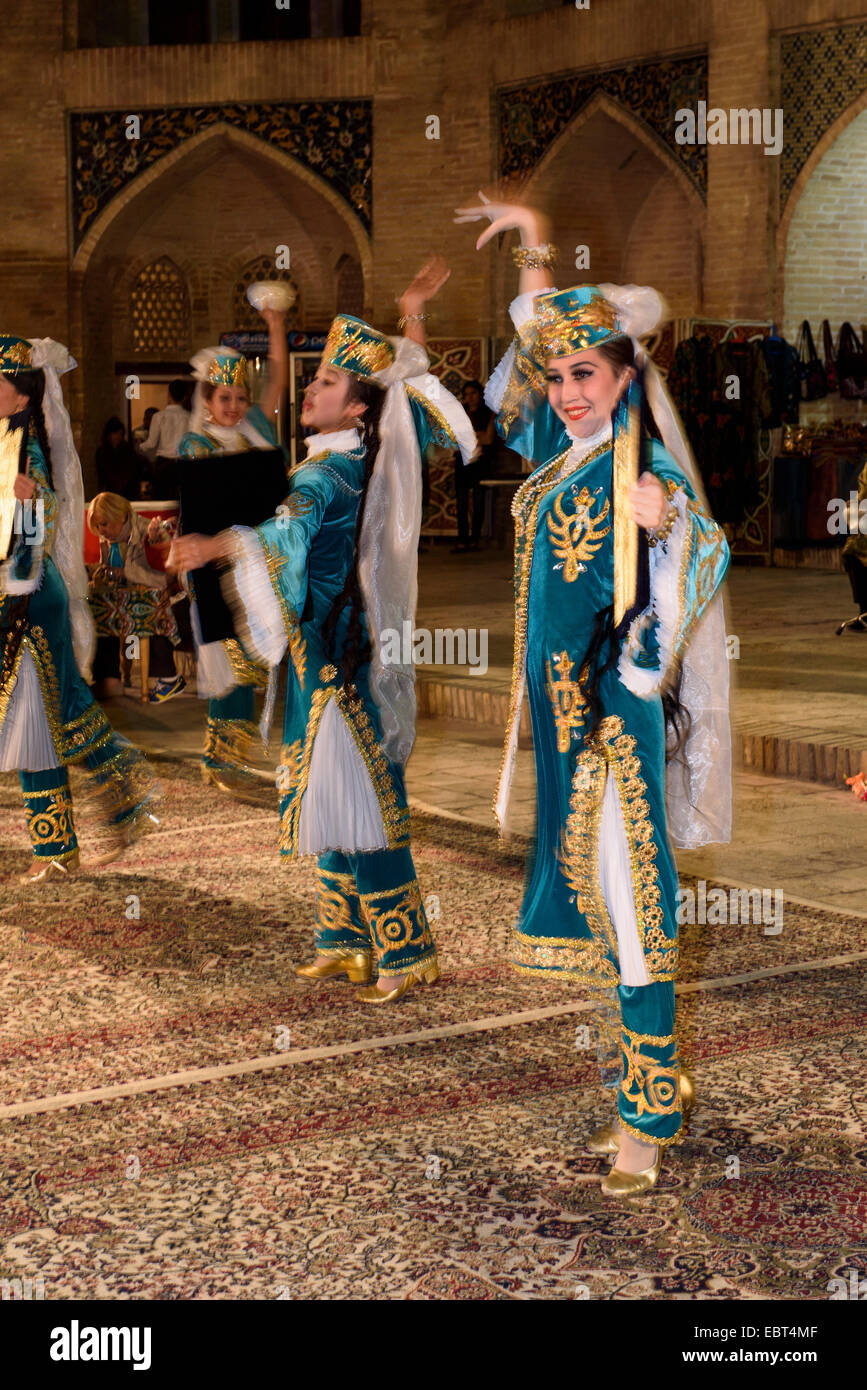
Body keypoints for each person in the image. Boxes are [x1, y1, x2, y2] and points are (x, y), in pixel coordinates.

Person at [456, 194, 731, 1194]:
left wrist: (669, 527)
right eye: (561, 377)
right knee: (612, 915)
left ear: (625, 378)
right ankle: (647, 1087)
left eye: (587, 375)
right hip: (570, 734)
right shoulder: (562, 455)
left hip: (615, 726)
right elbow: (523, 377)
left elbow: (710, 546)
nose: (568, 392)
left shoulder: (639, 463)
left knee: (635, 906)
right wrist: (533, 240)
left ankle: (648, 1117)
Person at [169, 258, 476, 1002]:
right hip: (334, 650)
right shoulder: (351, 462)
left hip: (338, 657)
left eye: (326, 384)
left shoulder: (323, 477)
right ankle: (343, 940)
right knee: (330, 790)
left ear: (358, 410)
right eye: (312, 380)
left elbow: (287, 538)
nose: (309, 388)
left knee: (361, 793)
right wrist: (411, 315)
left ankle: (407, 952)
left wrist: (216, 545)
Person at [0, 336, 160, 880]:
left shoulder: (30, 446)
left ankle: (126, 791)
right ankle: (57, 848)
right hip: (9, 596)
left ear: (21, 395)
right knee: (32, 724)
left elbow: (45, 510)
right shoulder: (2, 439)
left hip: (30, 600)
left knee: (58, 712)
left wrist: (30, 502)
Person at [176, 309, 288, 797]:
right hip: (213, 564)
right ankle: (221, 760)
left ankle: (230, 759)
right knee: (231, 661)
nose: (236, 406)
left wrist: (277, 324)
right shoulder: (195, 444)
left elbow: (279, 381)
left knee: (252, 658)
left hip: (254, 561)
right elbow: (205, 511)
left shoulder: (255, 430)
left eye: (242, 397)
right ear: (207, 398)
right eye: (226, 397)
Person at [86, 491, 185, 702]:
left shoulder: (148, 531)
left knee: (139, 617)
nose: (101, 531)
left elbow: (167, 577)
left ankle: (168, 677)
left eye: (104, 524)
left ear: (121, 517)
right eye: (98, 526)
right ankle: (112, 678)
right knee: (101, 613)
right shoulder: (108, 539)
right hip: (124, 605)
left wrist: (125, 573)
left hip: (157, 601)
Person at [452, 378, 495, 552]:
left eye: (473, 393)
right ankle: (463, 540)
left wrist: (469, 437)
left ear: (480, 395)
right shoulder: (460, 413)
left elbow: (488, 439)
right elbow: (454, 439)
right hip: (462, 462)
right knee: (461, 502)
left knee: (478, 500)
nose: (470, 398)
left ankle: (475, 539)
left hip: (480, 463)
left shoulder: (488, 414)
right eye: (467, 395)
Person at [139, 380, 191, 500]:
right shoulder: (189, 418)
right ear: (185, 397)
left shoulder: (159, 416)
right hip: (183, 464)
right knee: (182, 502)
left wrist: (140, 445)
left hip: (164, 464)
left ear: (168, 394)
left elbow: (151, 443)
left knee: (162, 501)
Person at [95, 416, 141, 501]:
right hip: (110, 491)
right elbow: (103, 473)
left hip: (127, 491)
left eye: (120, 434)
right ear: (109, 434)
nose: (118, 437)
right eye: (115, 433)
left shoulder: (127, 450)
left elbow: (132, 470)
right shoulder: (102, 451)